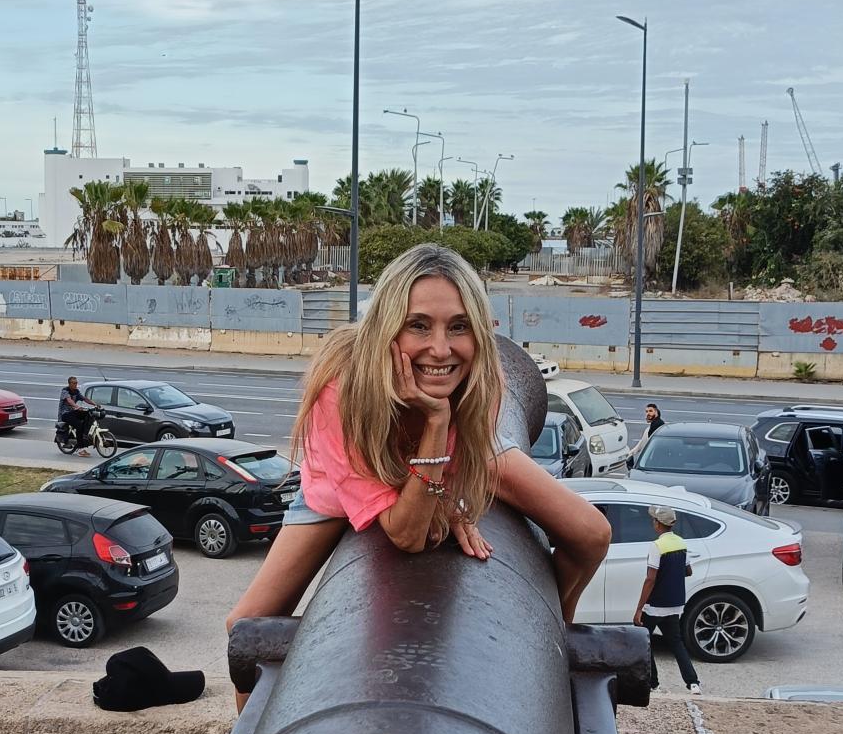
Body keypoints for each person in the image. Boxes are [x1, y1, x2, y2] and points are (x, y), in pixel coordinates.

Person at [226, 243, 610, 690]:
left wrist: (452, 500)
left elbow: (465, 456)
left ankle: (554, 636)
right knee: (246, 629)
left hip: (451, 459)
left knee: (591, 533)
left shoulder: (482, 378)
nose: (441, 349)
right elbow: (406, 534)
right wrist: (435, 419)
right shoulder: (341, 391)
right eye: (418, 326)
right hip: (343, 485)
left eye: (459, 327)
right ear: (387, 330)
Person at [634, 503, 700, 692]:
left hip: (656, 605)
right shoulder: (681, 543)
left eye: (653, 519)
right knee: (676, 643)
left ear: (658, 524)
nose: (652, 522)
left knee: (643, 642)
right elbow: (688, 571)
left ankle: (652, 681)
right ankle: (693, 682)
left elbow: (650, 579)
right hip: (675, 604)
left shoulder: (657, 546)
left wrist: (639, 608)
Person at [56, 374, 93, 449]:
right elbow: (69, 401)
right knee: (78, 424)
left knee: (88, 414)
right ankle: (80, 445)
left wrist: (95, 404)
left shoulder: (76, 391)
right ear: (69, 384)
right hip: (65, 414)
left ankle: (84, 435)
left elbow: (84, 399)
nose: (75, 384)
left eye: (76, 383)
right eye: (73, 383)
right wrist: (77, 406)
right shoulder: (65, 391)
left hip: (72, 412)